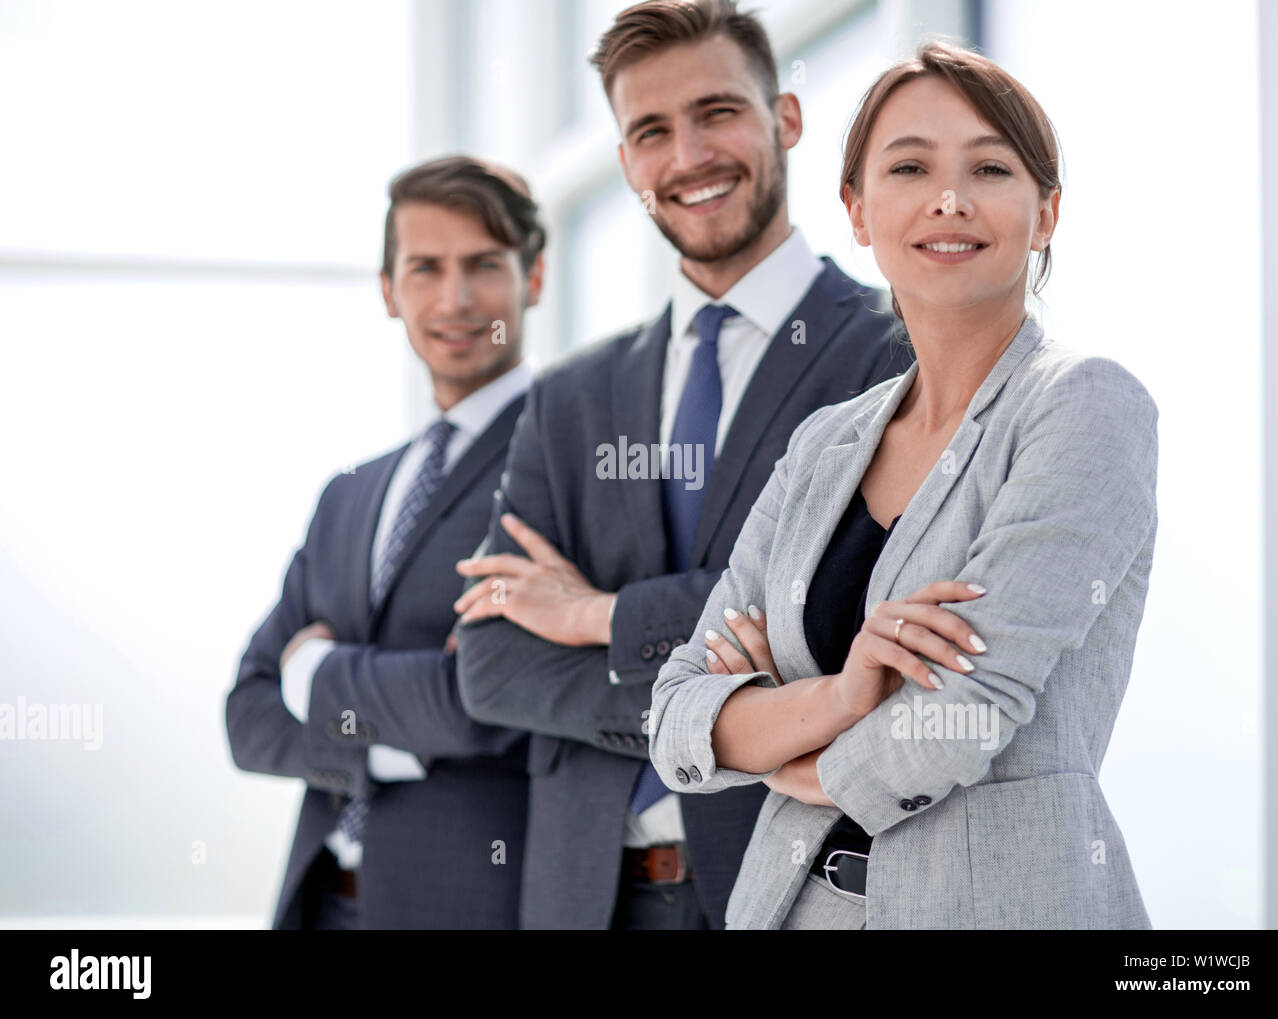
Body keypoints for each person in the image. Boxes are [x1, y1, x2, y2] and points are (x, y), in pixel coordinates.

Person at [649, 40, 1158, 930]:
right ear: (857, 209)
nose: (949, 199)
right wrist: (845, 695)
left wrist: (789, 757)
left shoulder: (1084, 407)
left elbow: (970, 703)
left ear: (1046, 214)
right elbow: (680, 711)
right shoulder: (823, 445)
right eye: (911, 166)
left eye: (991, 167)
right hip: (786, 905)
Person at [452, 0, 911, 930]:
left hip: (797, 884)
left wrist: (593, 617)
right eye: (652, 131)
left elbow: (841, 618)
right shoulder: (572, 395)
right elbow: (494, 664)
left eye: (718, 113)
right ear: (626, 164)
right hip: (585, 897)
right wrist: (734, 705)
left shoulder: (892, 352)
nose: (689, 155)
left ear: (784, 118)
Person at [224, 156, 543, 929]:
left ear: (533, 277)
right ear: (388, 289)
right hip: (323, 900)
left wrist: (315, 670)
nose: (455, 298)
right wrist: (392, 743)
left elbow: (479, 704)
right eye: (425, 268)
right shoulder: (350, 494)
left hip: (463, 906)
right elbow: (249, 714)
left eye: (484, 265)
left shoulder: (558, 464)